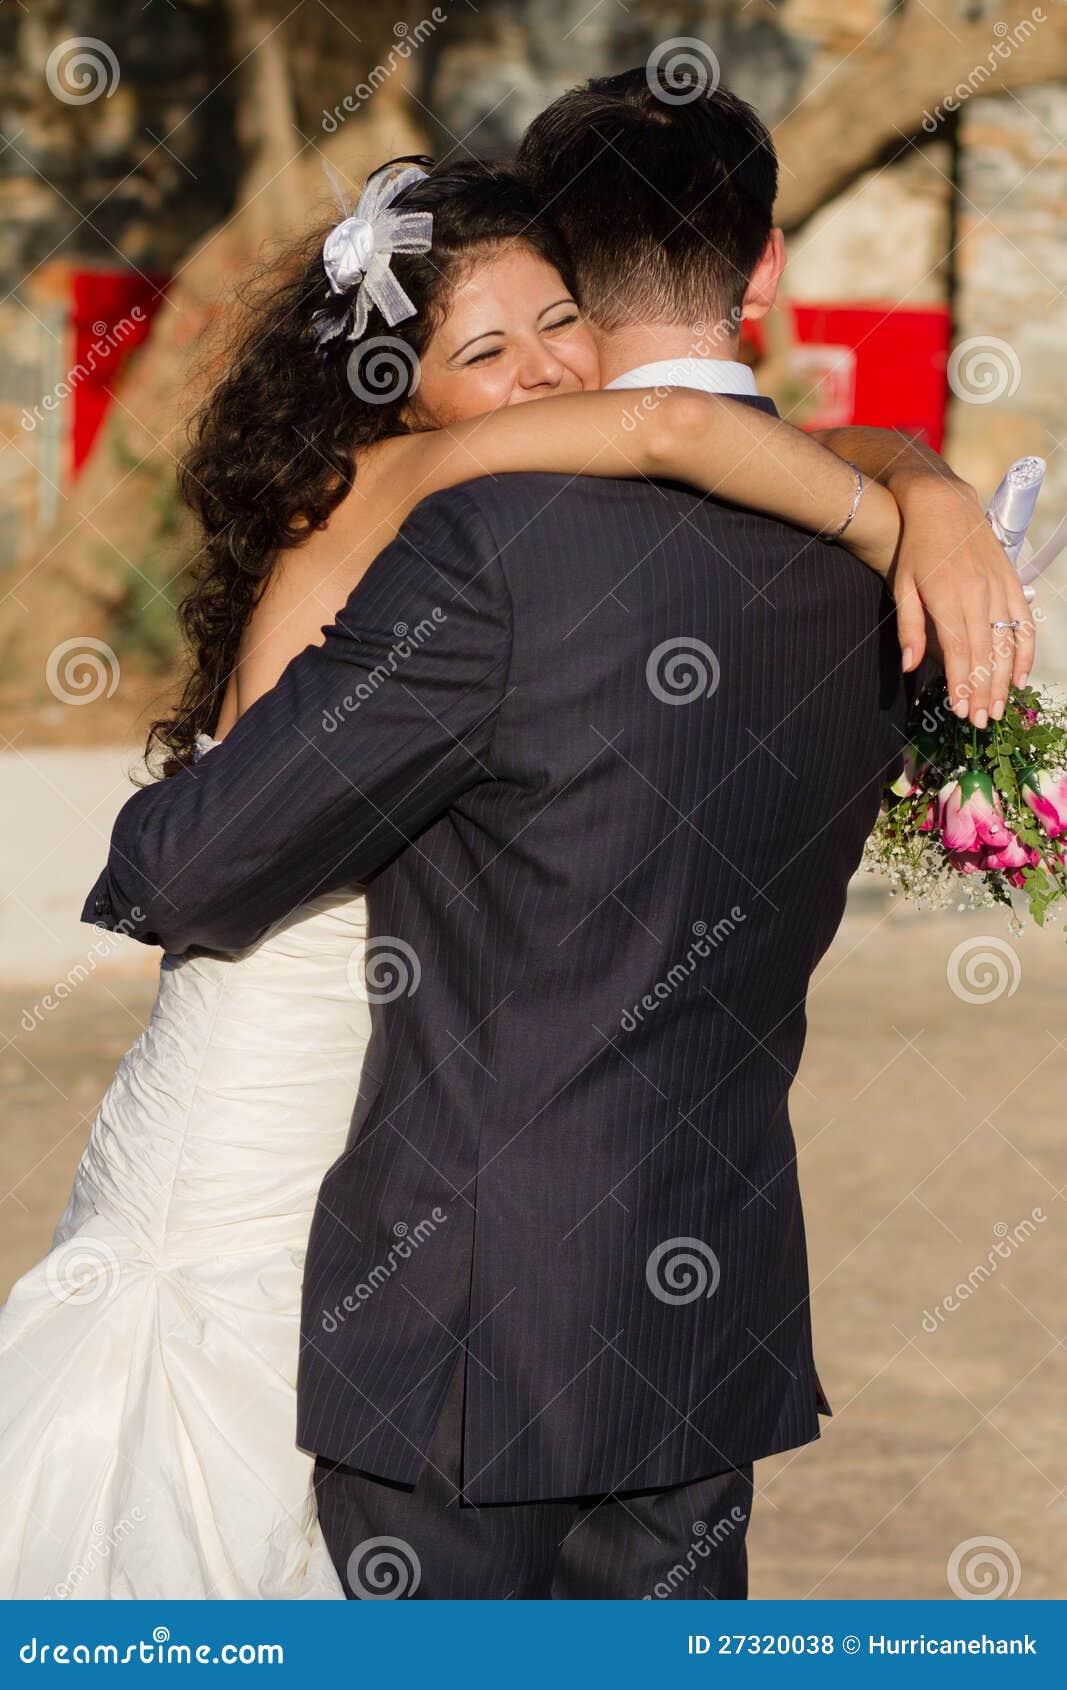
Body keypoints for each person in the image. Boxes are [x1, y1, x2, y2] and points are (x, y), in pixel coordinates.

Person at [5, 77, 1029, 1601]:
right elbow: (679, 417)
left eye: (561, 322)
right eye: (489, 350)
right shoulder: (448, 503)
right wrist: (909, 519)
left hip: (452, 1275)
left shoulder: (495, 538)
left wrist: (918, 481)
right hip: (324, 1155)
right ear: (396, 389)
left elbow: (687, 430)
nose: (554, 372)